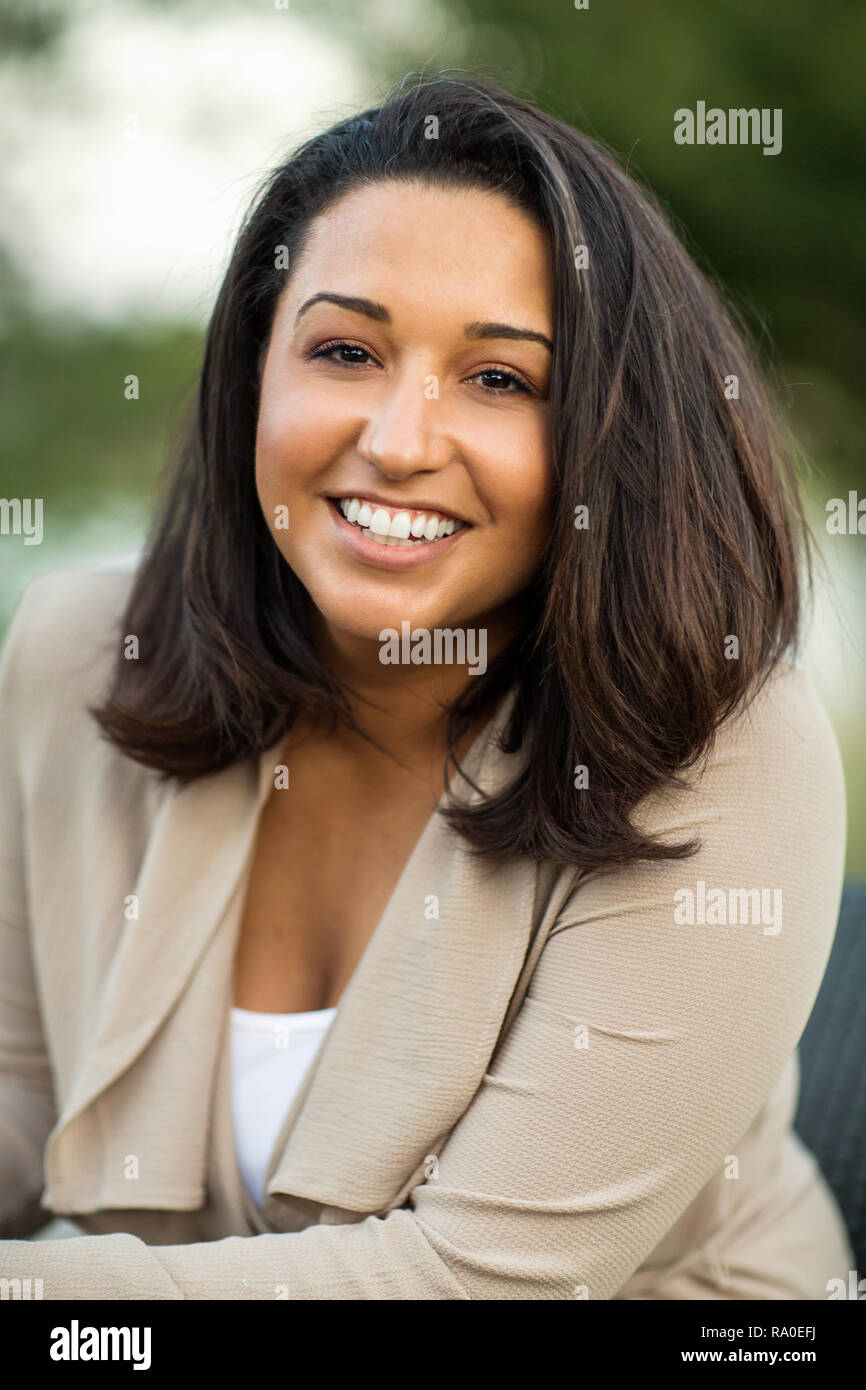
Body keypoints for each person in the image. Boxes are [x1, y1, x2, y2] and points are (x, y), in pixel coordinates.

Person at [0, 70, 854, 1299]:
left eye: (501, 379)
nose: (399, 440)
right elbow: (32, 1098)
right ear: (253, 376)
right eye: (344, 350)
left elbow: (472, 1285)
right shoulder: (82, 651)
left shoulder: (718, 741)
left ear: (608, 439)